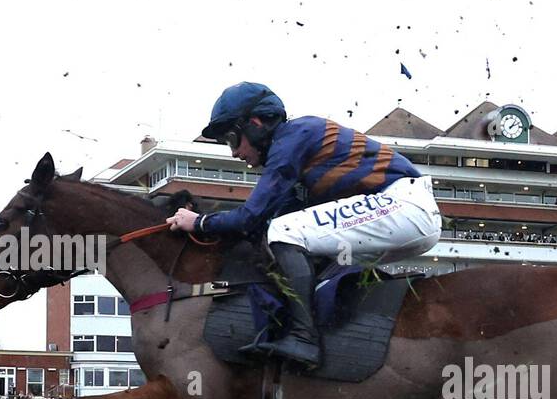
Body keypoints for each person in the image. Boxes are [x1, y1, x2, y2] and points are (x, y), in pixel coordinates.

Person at [166, 82, 442, 367]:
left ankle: (304, 339)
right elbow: (258, 226)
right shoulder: (296, 154)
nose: (234, 152)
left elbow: (252, 217)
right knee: (308, 264)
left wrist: (200, 222)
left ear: (256, 124)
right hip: (399, 215)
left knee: (285, 231)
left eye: (232, 140)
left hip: (405, 207)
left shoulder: (294, 136)